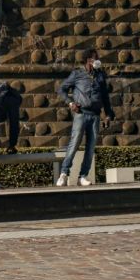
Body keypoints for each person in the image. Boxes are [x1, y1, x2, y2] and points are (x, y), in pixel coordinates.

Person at [57, 49, 115, 187]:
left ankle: (83, 176)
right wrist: (70, 103)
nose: (97, 60)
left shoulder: (100, 75)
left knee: (91, 147)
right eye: (95, 58)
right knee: (74, 143)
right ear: (88, 60)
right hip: (81, 114)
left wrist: (108, 114)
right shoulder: (77, 74)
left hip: (95, 115)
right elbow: (61, 89)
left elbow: (105, 97)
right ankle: (64, 174)